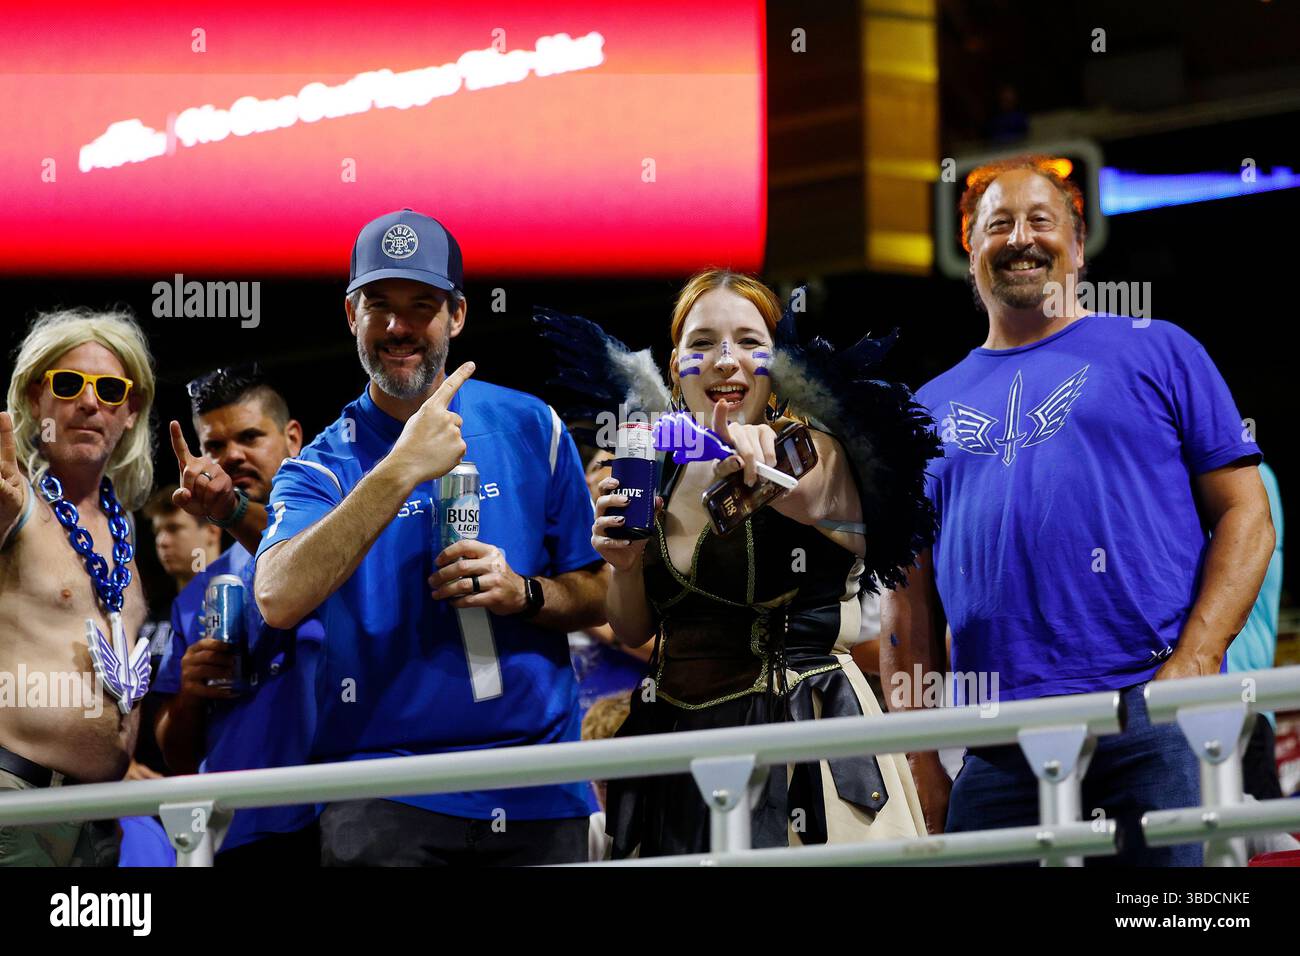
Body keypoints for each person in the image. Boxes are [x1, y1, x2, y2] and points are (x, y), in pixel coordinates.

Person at [881, 155, 1275, 865]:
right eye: (998, 224)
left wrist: (1194, 661)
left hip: (1147, 719)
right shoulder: (923, 411)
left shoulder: (1161, 350)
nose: (1021, 237)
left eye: (1041, 220)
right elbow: (908, 609)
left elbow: (1248, 516)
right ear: (970, 247)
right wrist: (922, 766)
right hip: (996, 748)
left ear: (1078, 242)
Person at [254, 208, 608, 866]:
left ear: (458, 316)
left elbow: (601, 593)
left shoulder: (534, 426)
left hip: (538, 789)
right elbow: (276, 596)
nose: (398, 326)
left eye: (422, 305)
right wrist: (399, 468)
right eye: (379, 305)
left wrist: (525, 592)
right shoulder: (317, 466)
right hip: (384, 794)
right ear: (350, 315)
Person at [596, 270, 929, 856]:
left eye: (750, 343)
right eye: (702, 344)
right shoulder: (654, 468)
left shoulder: (812, 448)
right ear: (676, 366)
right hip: (676, 749)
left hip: (801, 743)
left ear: (779, 365)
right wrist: (622, 565)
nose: (727, 360)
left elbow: (813, 492)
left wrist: (765, 462)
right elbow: (632, 630)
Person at [0, 308, 156, 866]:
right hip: (17, 801)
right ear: (36, 399)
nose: (90, 403)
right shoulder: (16, 503)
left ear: (130, 411)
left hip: (99, 820)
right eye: (68, 386)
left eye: (110, 390)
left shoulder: (127, 536)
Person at [149, 365, 321, 865]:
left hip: (343, 810)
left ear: (292, 437)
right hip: (237, 830)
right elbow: (177, 756)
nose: (233, 457)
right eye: (215, 446)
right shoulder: (196, 593)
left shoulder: (345, 542)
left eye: (249, 437)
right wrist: (189, 695)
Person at [142, 485, 223, 593]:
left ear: (212, 532)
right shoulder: (166, 608)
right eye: (157, 532)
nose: (161, 541)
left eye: (174, 529)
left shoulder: (248, 594)